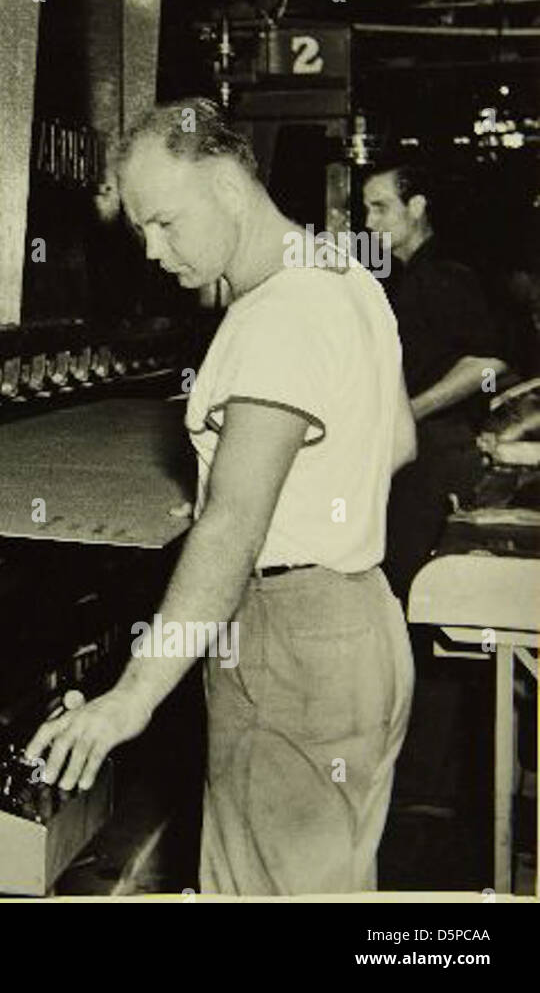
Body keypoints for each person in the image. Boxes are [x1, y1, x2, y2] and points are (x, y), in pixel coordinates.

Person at [25, 99, 417, 895]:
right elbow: (397, 440)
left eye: (165, 222)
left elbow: (234, 525)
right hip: (362, 625)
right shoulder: (341, 273)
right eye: (141, 231)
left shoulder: (278, 315)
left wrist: (130, 699)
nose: (152, 250)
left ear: (231, 189)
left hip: (288, 649)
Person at [362, 161, 511, 602]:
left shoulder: (445, 274)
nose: (369, 221)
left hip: (438, 452)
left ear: (417, 206)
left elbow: (490, 364)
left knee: (413, 588)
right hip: (418, 450)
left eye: (380, 208)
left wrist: (412, 409)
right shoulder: (407, 276)